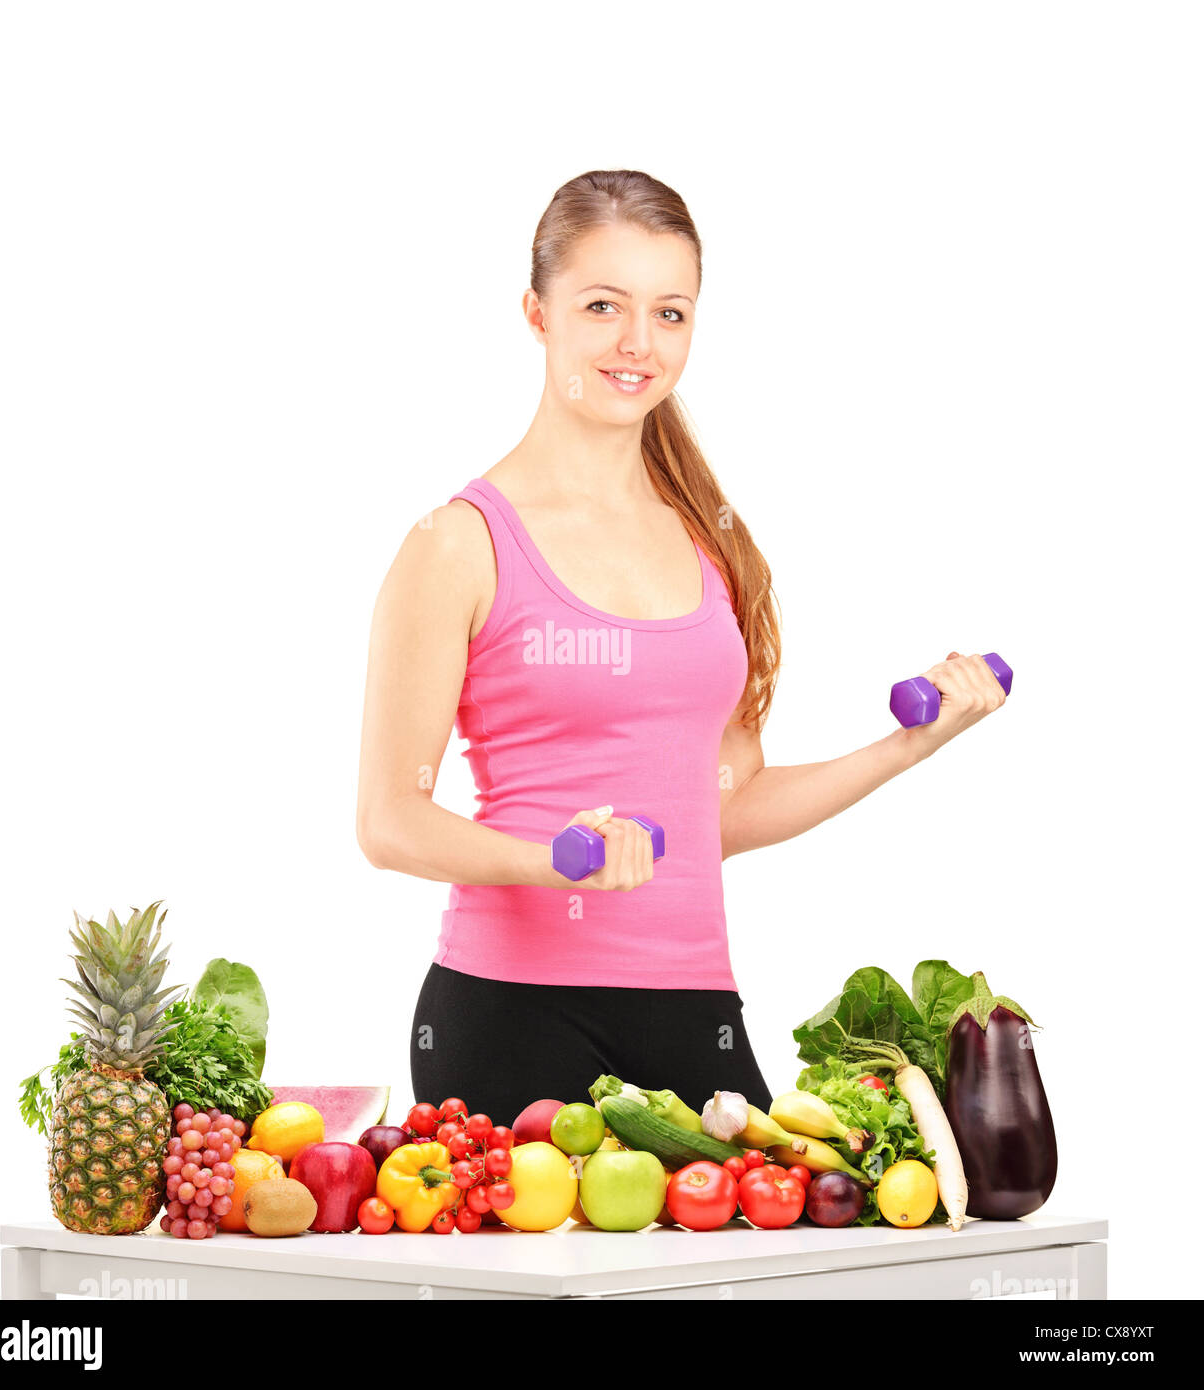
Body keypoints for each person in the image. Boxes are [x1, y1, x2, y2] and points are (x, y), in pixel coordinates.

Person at [355, 169, 1007, 1126]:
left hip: (695, 1009)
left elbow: (719, 814)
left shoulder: (711, 542)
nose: (636, 343)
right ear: (537, 315)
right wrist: (561, 861)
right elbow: (388, 821)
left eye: (669, 313)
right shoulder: (457, 544)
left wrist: (908, 746)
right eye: (602, 306)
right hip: (508, 1015)